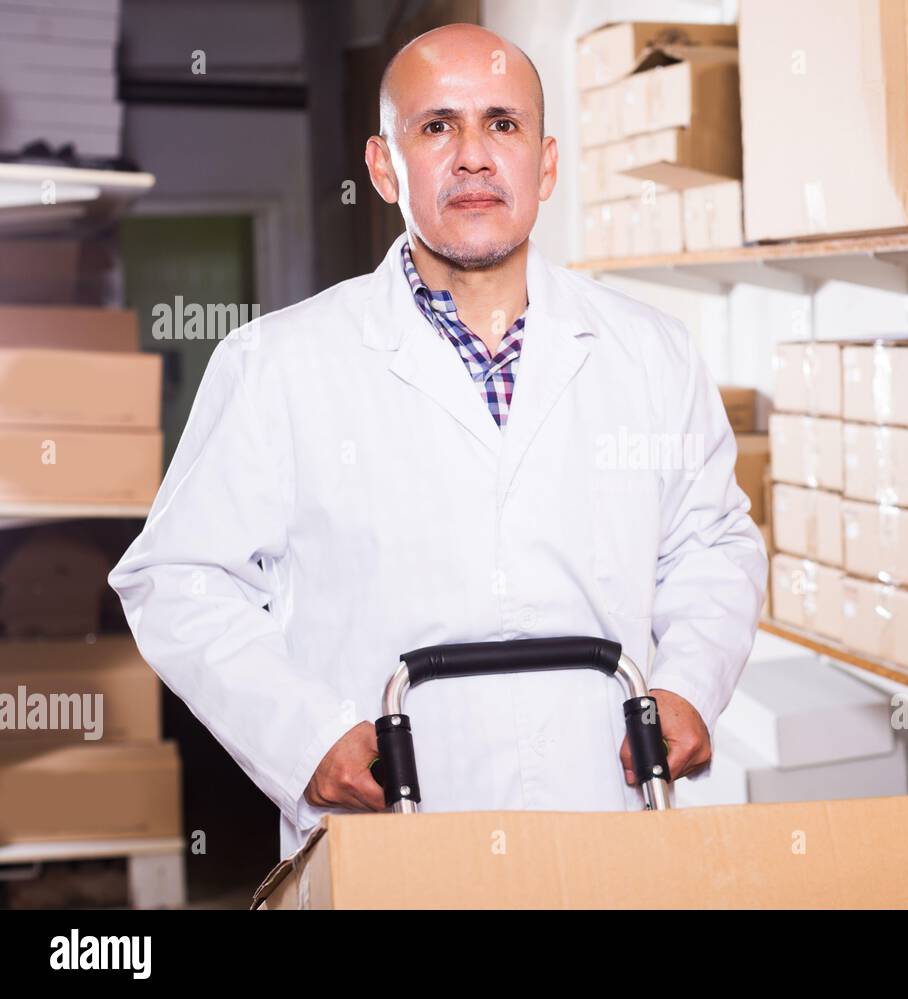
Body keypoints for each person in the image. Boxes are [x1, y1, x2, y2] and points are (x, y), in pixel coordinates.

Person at [109, 23, 766, 860]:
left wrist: (688, 688)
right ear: (385, 167)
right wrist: (306, 738)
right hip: (393, 833)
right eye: (436, 126)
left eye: (502, 123)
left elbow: (713, 545)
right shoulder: (276, 364)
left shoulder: (651, 353)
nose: (474, 156)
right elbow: (177, 579)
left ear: (546, 161)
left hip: (606, 817)